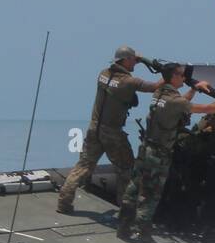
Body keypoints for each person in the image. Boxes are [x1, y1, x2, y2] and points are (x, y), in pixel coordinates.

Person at [116, 63, 215, 243]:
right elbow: (201, 109)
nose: (184, 78)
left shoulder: (160, 94)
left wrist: (194, 89)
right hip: (158, 154)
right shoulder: (174, 101)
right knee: (150, 194)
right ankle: (144, 234)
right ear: (173, 77)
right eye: (181, 75)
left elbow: (181, 104)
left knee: (133, 188)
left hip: (146, 148)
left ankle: (124, 226)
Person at [57, 46, 162, 214]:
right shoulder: (129, 82)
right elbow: (156, 87)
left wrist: (136, 59)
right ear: (127, 60)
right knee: (126, 169)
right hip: (113, 132)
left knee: (83, 166)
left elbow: (119, 80)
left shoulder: (103, 74)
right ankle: (125, 209)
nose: (135, 62)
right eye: (133, 60)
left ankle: (64, 203)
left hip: (94, 127)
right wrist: (166, 74)